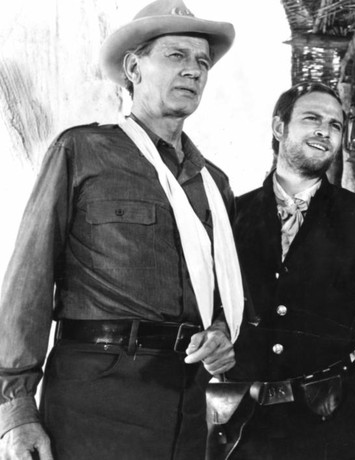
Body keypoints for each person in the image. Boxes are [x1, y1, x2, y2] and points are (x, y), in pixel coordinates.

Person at [0, 1, 245, 459]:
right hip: (95, 399)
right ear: (134, 68)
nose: (193, 70)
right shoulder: (82, 151)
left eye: (202, 62)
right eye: (176, 55)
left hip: (187, 403)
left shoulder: (214, 184)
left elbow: (221, 295)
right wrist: (15, 410)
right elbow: (28, 280)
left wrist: (218, 333)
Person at [214, 82, 355, 460]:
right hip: (242, 429)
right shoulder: (230, 215)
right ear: (279, 127)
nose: (325, 131)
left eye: (335, 125)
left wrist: (354, 402)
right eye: (312, 119)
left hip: (328, 428)